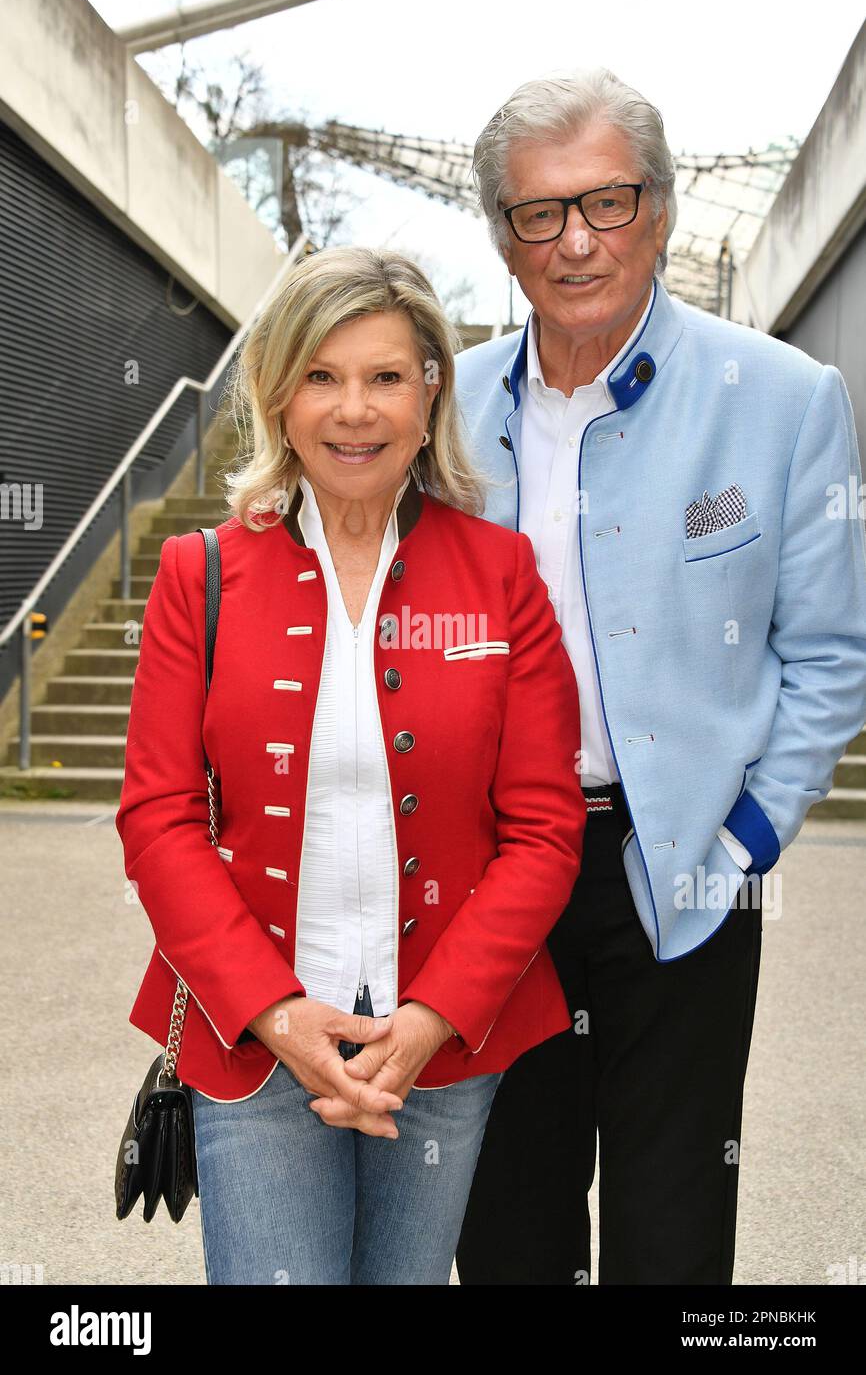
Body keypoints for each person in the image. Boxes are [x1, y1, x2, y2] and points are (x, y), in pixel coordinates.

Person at [453, 67, 866, 1285]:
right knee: (509, 1234)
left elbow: (831, 655)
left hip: (685, 864)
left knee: (671, 1238)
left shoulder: (785, 401)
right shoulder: (440, 403)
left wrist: (741, 839)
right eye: (539, 212)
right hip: (492, 880)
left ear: (663, 210)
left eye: (608, 201)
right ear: (504, 240)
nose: (576, 239)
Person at [115, 245, 585, 1285]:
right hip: (256, 1039)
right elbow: (157, 819)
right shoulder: (200, 578)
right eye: (320, 377)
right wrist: (276, 1014)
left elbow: (546, 828)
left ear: (430, 393)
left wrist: (429, 1019)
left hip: (444, 1042)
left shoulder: (502, 575)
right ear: (278, 396)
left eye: (384, 376)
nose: (353, 411)